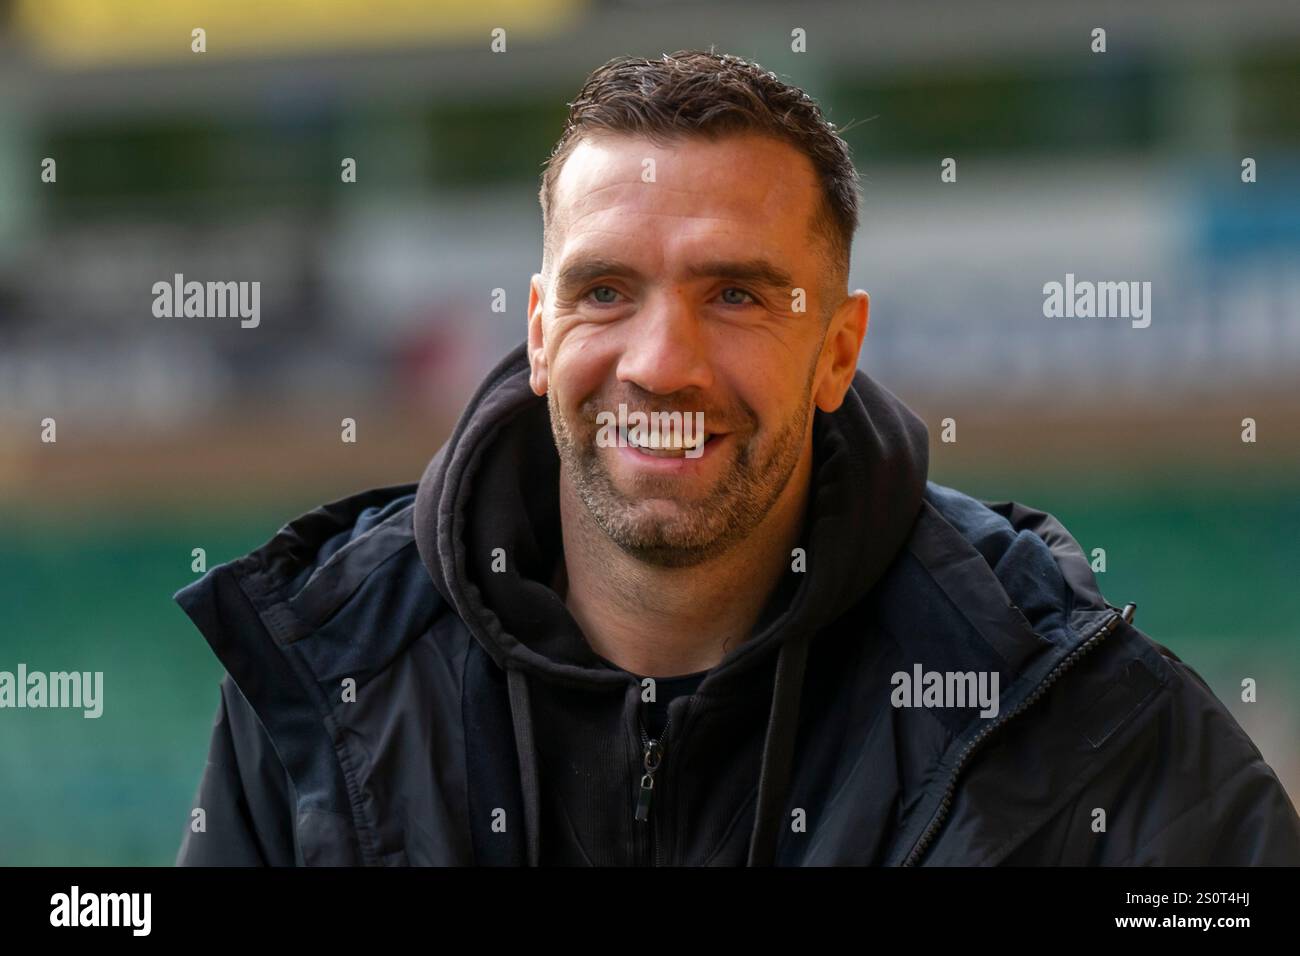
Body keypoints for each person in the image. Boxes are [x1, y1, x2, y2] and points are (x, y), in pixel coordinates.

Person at [174, 50, 1300, 866]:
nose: (661, 362)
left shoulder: (1068, 709)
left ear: (837, 350)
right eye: (605, 290)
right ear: (537, 330)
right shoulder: (323, 675)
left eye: (736, 295)